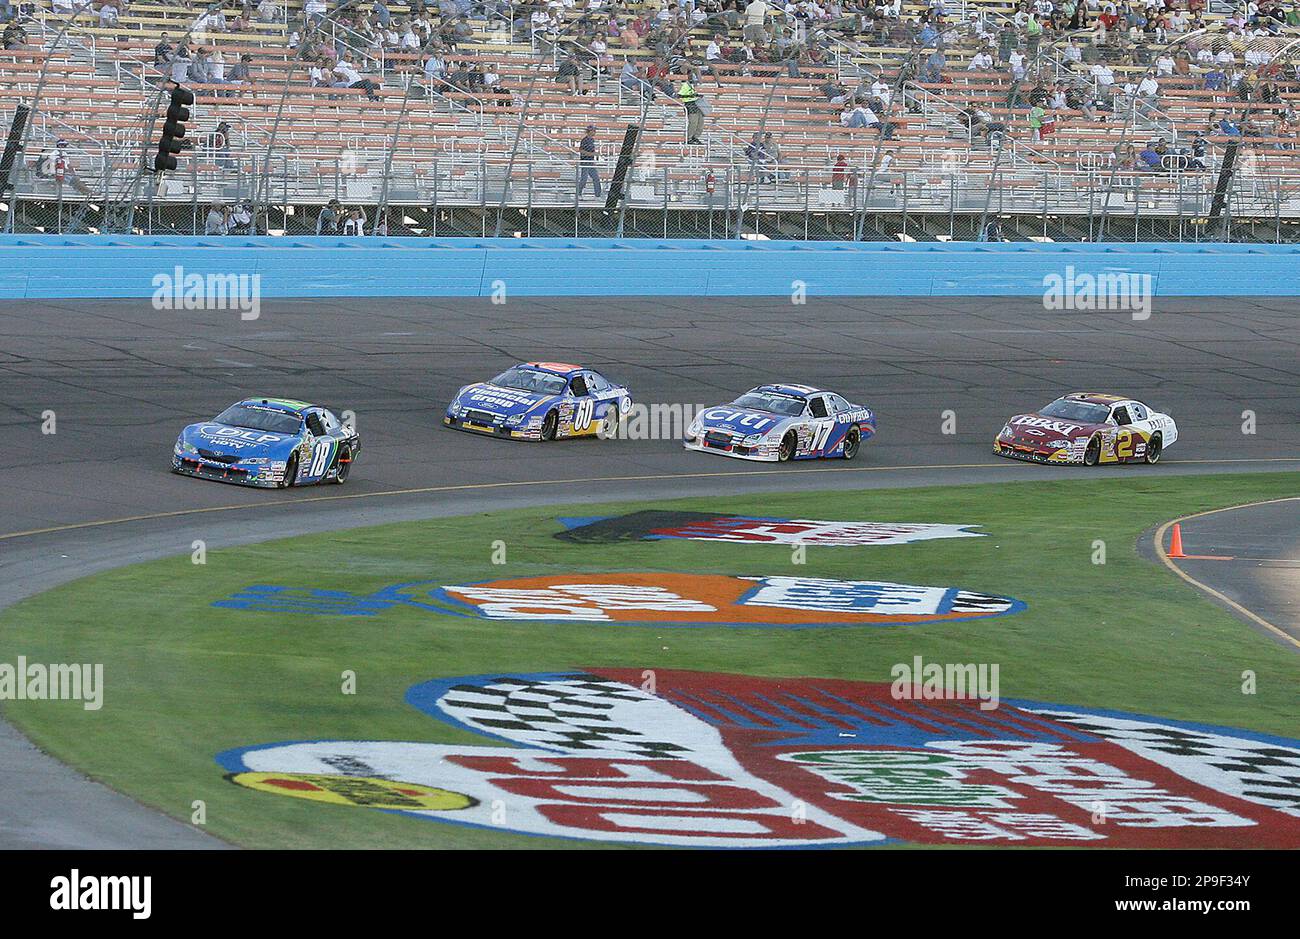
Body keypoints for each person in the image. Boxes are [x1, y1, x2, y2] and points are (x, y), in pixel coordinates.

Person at [678, 71, 703, 143]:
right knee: (693, 122)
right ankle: (689, 138)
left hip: (696, 104)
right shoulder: (685, 85)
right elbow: (680, 95)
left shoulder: (693, 86)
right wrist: (691, 96)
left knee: (700, 122)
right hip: (689, 104)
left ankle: (695, 136)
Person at [577, 125, 601, 198]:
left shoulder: (592, 140)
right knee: (584, 179)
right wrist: (592, 154)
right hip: (585, 161)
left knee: (596, 178)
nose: (595, 132)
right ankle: (579, 193)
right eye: (593, 131)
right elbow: (581, 150)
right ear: (590, 131)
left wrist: (593, 154)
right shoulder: (585, 140)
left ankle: (597, 195)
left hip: (591, 162)